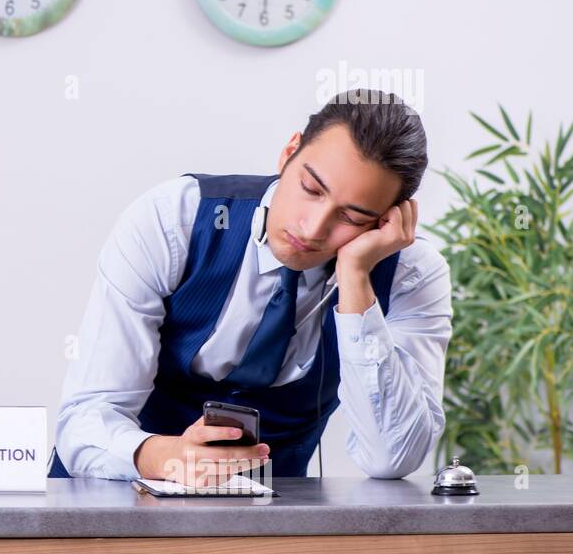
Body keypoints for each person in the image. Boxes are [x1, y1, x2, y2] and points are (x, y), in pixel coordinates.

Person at [49, 90, 453, 485]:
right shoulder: (174, 220)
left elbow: (393, 456)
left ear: (389, 219)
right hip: (107, 503)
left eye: (352, 217)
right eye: (310, 189)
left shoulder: (410, 274)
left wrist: (356, 280)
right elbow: (86, 416)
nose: (312, 229)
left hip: (267, 526)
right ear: (289, 151)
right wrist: (164, 456)